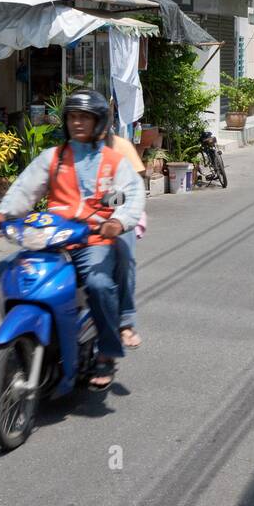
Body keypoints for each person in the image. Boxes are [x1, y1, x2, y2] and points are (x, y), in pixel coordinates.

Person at [0, 90, 144, 389]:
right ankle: (26, 337)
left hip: (93, 240)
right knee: (0, 273)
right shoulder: (54, 158)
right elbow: (25, 189)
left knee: (98, 285)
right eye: (73, 117)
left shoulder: (113, 161)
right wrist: (3, 213)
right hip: (52, 239)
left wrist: (118, 221)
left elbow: (133, 196)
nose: (78, 123)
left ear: (99, 122)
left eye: (85, 117)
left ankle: (107, 354)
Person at [107, 126, 146, 349]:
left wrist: (115, 203)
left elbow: (136, 183)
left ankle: (126, 322)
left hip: (118, 214)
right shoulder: (72, 150)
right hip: (81, 217)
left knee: (124, 258)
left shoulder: (120, 145)